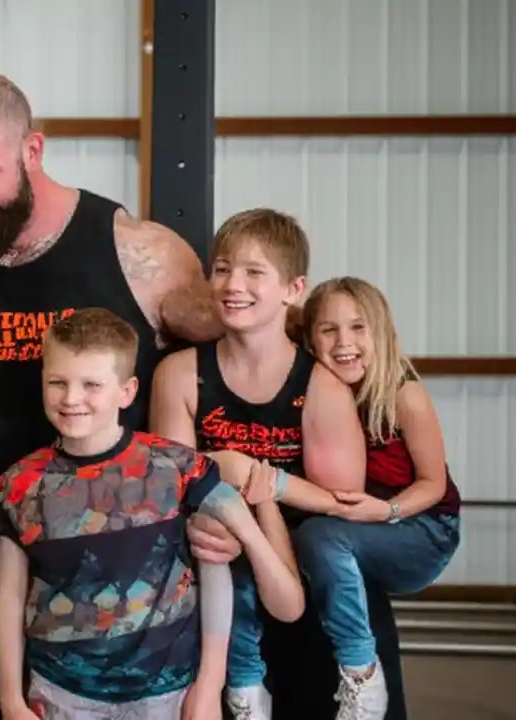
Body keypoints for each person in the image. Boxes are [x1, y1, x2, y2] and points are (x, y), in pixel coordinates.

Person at [0, 71, 243, 719]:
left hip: (110, 590)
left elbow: (230, 359)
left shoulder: (137, 256)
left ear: (33, 151)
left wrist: (226, 496)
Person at [148, 210, 405, 720]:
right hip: (222, 563)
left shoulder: (321, 387)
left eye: (253, 272)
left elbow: (339, 505)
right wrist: (221, 518)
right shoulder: (179, 374)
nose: (232, 284)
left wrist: (244, 474)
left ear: (293, 288)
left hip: (314, 578)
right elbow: (171, 487)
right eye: (221, 269)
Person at [0, 308, 305, 720]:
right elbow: (10, 594)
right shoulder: (19, 485)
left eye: (91, 385)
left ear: (126, 391)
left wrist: (210, 687)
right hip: (61, 694)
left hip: (165, 695)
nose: (71, 398)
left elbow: (223, 578)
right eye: (57, 382)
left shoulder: (178, 468)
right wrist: (10, 698)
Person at [290, 276, 462, 717]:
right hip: (360, 526)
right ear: (310, 338)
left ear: (380, 333)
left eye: (358, 327)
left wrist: (384, 510)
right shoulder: (320, 388)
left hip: (423, 528)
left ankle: (361, 674)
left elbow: (433, 485)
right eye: (328, 330)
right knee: (319, 544)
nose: (344, 342)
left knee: (321, 538)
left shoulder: (405, 395)